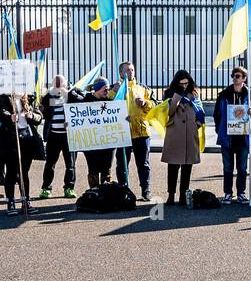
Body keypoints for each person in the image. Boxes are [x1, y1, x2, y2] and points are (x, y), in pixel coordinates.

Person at [0, 89, 43, 215]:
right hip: (10, 138)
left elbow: (39, 115)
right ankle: (10, 202)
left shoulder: (30, 97)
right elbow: (1, 113)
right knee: (11, 172)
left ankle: (25, 201)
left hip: (27, 138)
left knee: (24, 172)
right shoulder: (4, 97)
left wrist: (31, 116)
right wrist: (10, 117)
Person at [114, 61, 158, 202]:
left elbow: (155, 107)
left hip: (141, 131)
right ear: (121, 73)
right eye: (127, 70)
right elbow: (106, 106)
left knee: (143, 164)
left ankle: (146, 191)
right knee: (122, 164)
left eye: (132, 70)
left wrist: (146, 103)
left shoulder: (143, 88)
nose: (130, 72)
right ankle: (123, 190)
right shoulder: (116, 88)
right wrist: (113, 92)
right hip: (123, 132)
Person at [161, 69, 206, 206]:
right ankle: (171, 194)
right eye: (181, 84)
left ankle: (183, 194)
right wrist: (176, 97)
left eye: (186, 83)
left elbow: (201, 112)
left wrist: (197, 124)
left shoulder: (194, 94)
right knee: (173, 167)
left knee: (187, 167)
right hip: (175, 134)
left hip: (190, 133)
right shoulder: (169, 93)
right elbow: (169, 112)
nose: (184, 86)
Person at [213, 66, 251, 204]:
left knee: (242, 168)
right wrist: (220, 130)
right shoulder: (224, 94)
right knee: (227, 167)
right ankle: (227, 193)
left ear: (244, 78)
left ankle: (241, 193)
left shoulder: (249, 95)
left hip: (243, 137)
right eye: (234, 76)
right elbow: (216, 115)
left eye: (238, 76)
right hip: (228, 137)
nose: (235, 78)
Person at [39, 74, 76, 199]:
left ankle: (69, 188)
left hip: (68, 136)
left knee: (70, 164)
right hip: (53, 135)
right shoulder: (48, 97)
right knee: (50, 163)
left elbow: (82, 101)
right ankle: (46, 188)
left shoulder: (70, 96)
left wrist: (73, 92)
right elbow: (42, 110)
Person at [77, 78, 116, 187]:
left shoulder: (110, 101)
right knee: (93, 168)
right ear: (97, 89)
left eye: (108, 89)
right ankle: (94, 192)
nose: (107, 92)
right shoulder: (85, 101)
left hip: (108, 142)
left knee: (107, 169)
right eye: (105, 89)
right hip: (91, 143)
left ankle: (106, 193)